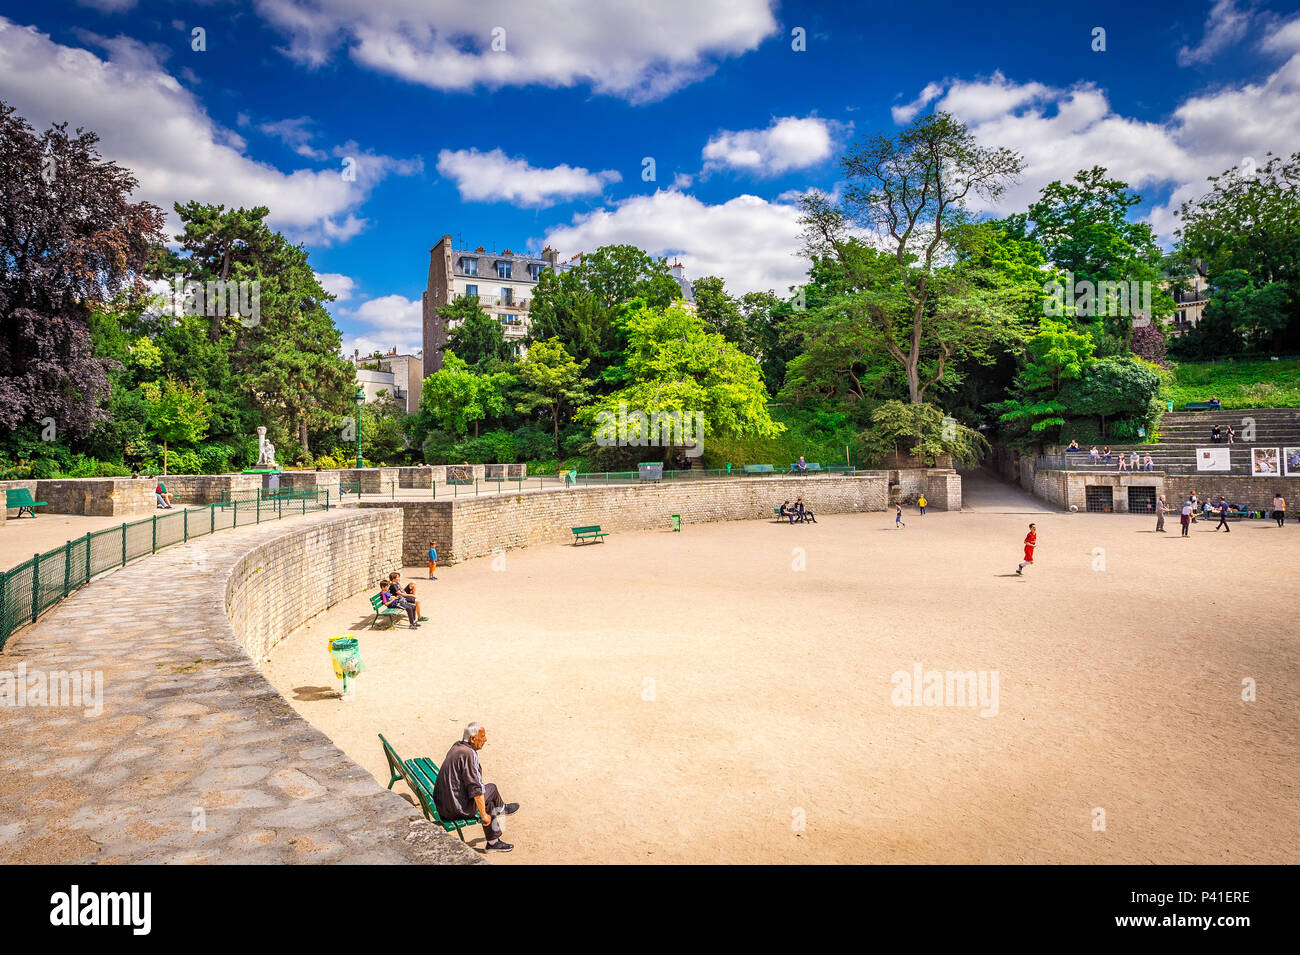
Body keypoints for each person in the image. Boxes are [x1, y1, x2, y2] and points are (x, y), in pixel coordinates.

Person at [432, 723, 519, 853]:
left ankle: (493, 841)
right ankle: (501, 809)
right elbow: (476, 787)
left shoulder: (456, 746)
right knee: (491, 790)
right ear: (472, 739)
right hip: (456, 809)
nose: (485, 740)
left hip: (442, 805)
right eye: (482, 736)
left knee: (486, 799)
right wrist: (484, 815)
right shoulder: (469, 754)